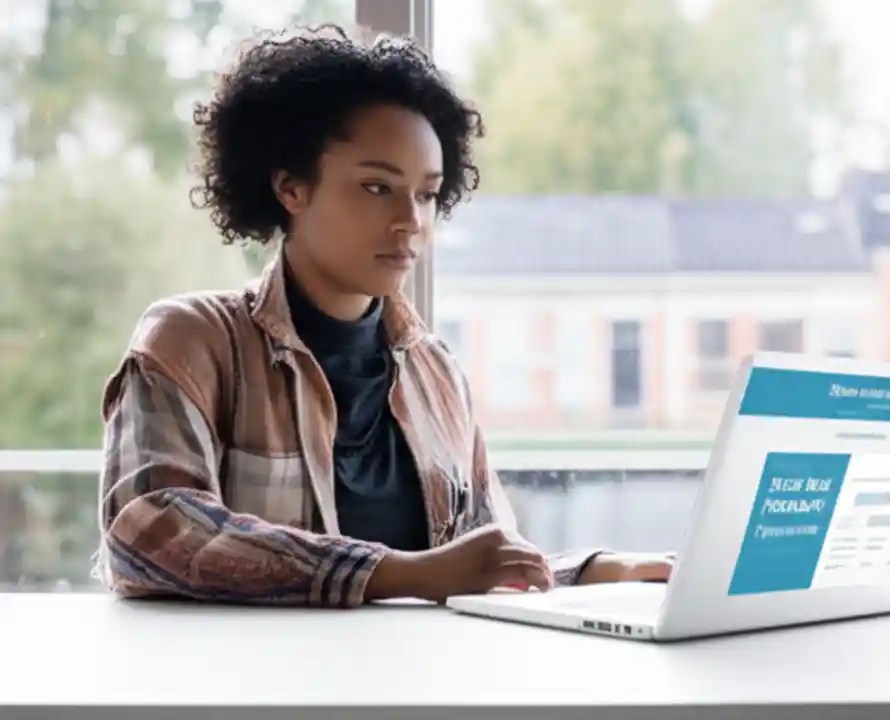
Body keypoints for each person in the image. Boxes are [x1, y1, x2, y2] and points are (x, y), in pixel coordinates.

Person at [94, 25, 673, 608]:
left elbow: (479, 566)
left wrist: (602, 571)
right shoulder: (193, 339)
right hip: (257, 696)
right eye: (377, 187)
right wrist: (397, 573)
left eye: (426, 194)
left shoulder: (436, 375)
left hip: (419, 694)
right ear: (290, 188)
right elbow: (150, 529)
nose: (411, 221)